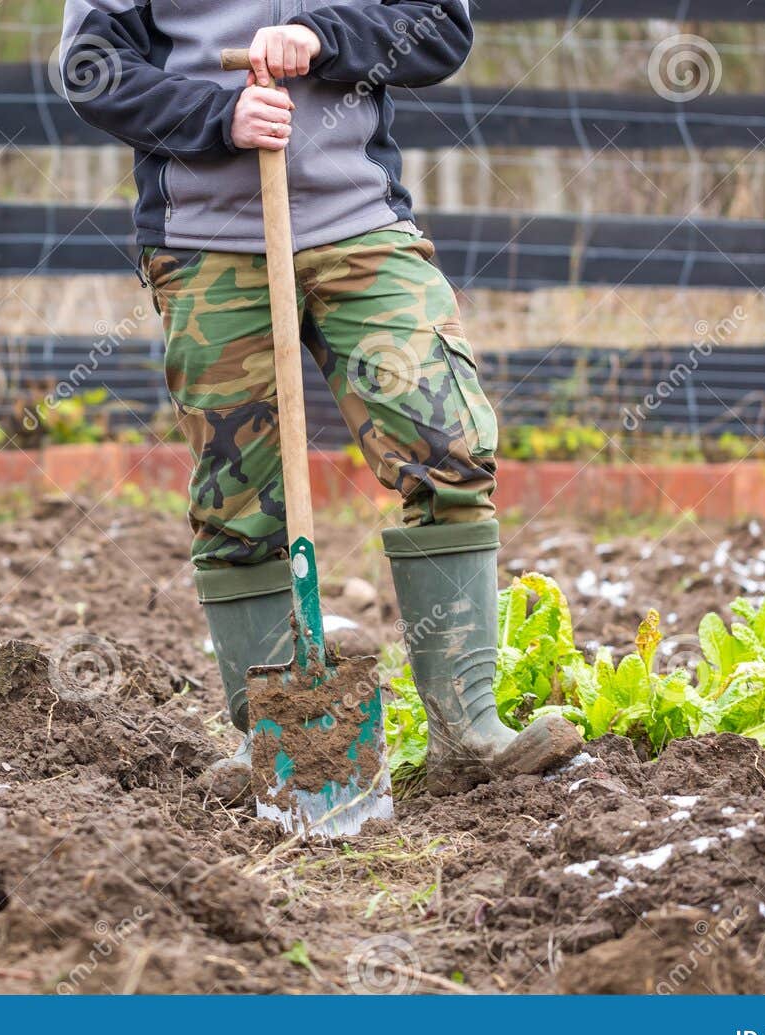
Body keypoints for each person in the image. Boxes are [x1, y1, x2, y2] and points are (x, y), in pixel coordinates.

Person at [58, 1, 532, 797]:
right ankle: (276, 748)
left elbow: (439, 26)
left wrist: (325, 37)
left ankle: (469, 729)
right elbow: (90, 67)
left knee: (446, 440)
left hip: (361, 225)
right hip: (204, 240)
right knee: (239, 500)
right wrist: (220, 115)